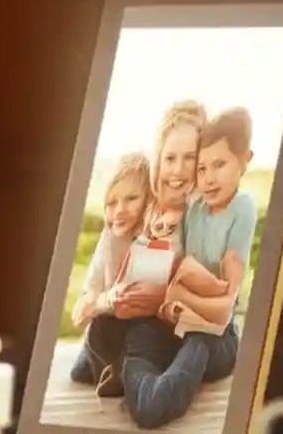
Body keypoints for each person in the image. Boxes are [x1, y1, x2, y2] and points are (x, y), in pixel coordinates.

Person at [119, 107, 259, 428]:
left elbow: (222, 312)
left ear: (244, 161)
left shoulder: (242, 209)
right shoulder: (193, 210)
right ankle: (142, 390)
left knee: (201, 337)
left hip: (214, 337)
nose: (207, 177)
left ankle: (156, 399)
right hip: (179, 325)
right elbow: (168, 285)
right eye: (203, 168)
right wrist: (174, 293)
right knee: (138, 333)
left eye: (218, 165)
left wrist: (183, 292)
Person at [85, 101, 207, 397]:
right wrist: (111, 299)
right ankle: (119, 367)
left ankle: (135, 377)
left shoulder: (203, 217)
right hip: (134, 316)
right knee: (98, 334)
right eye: (170, 158)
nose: (178, 170)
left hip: (168, 327)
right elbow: (90, 302)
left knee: (141, 338)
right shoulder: (147, 218)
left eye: (189, 158)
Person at [69, 152, 152, 385]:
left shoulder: (148, 239)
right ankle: (113, 370)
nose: (119, 210)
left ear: (149, 200)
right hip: (109, 317)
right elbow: (94, 281)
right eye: (112, 203)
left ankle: (125, 374)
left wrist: (98, 303)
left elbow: (132, 294)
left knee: (118, 332)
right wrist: (87, 299)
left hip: (137, 322)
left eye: (131, 199)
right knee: (80, 372)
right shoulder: (109, 236)